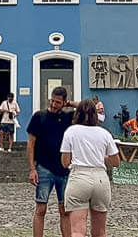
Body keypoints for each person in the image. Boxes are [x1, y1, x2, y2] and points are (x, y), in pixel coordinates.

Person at [60, 99, 120, 237]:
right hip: (100, 179)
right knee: (100, 232)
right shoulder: (104, 133)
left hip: (79, 177)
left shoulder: (71, 132)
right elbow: (116, 162)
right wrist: (100, 158)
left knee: (77, 230)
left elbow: (65, 162)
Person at [28, 87, 75, 237]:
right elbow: (31, 143)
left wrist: (71, 104)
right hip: (43, 167)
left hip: (63, 169)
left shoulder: (69, 117)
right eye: (52, 101)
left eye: (58, 102)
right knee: (41, 209)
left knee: (65, 210)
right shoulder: (39, 116)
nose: (54, 105)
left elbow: (90, 108)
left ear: (64, 103)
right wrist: (32, 168)